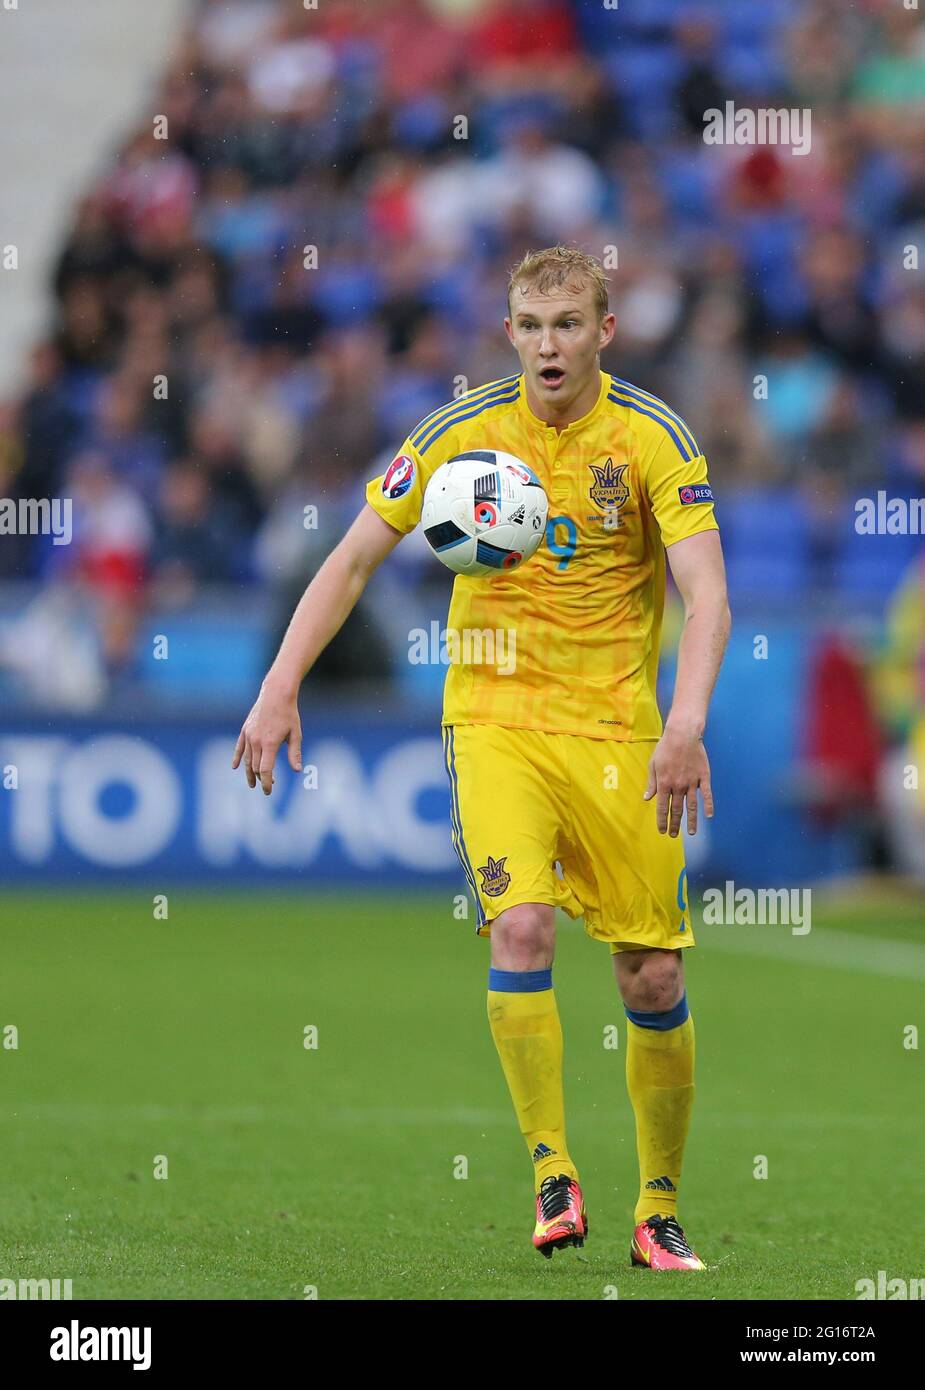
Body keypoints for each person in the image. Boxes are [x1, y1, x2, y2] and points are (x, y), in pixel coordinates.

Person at [233, 245, 731, 1269]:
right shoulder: (461, 437)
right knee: (522, 930)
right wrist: (280, 685)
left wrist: (684, 722)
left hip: (621, 733)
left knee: (647, 972)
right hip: (495, 717)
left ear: (604, 331)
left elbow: (709, 594)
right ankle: (553, 1172)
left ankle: (658, 1207)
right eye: (529, 325)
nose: (548, 344)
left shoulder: (650, 437)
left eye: (567, 325)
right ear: (508, 333)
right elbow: (354, 553)